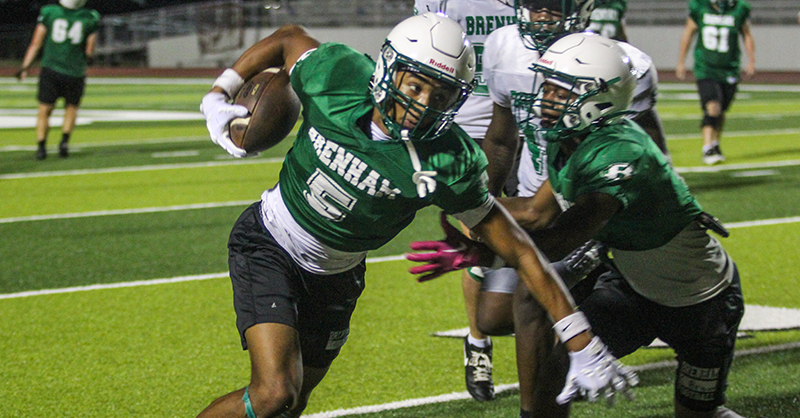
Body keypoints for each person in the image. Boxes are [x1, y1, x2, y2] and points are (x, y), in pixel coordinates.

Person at [198, 13, 634, 418]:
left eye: (441, 95)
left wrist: (580, 339)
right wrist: (220, 92)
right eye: (415, 86)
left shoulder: (448, 160)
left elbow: (519, 250)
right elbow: (287, 38)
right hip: (271, 241)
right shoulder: (338, 76)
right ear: (389, 71)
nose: (424, 104)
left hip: (339, 273)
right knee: (275, 393)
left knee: (293, 403)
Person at [409, 32, 747, 418]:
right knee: (559, 364)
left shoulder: (623, 153)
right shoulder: (570, 138)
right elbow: (535, 211)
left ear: (600, 97)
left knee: (699, 415)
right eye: (548, 87)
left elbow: (558, 240)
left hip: (700, 298)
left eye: (560, 91)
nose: (546, 99)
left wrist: (485, 252)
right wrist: (459, 199)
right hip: (632, 288)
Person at [413, 0, 519, 402]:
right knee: (479, 237)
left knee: (545, 230)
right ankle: (478, 343)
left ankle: (557, 337)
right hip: (467, 130)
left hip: (526, 124)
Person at [17, 0, 99, 160]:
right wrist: (85, 60)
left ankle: (41, 147)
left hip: (51, 68)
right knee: (71, 108)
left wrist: (25, 67)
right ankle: (64, 142)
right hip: (75, 71)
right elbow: (90, 50)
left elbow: (36, 43)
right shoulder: (90, 16)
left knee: (44, 110)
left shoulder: (49, 12)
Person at [676, 0, 755, 165]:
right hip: (706, 67)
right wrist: (681, 61)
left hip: (729, 68)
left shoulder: (739, 9)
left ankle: (715, 143)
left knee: (722, 110)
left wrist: (751, 60)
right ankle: (707, 147)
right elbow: (688, 33)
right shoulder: (700, 6)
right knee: (712, 106)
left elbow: (746, 34)